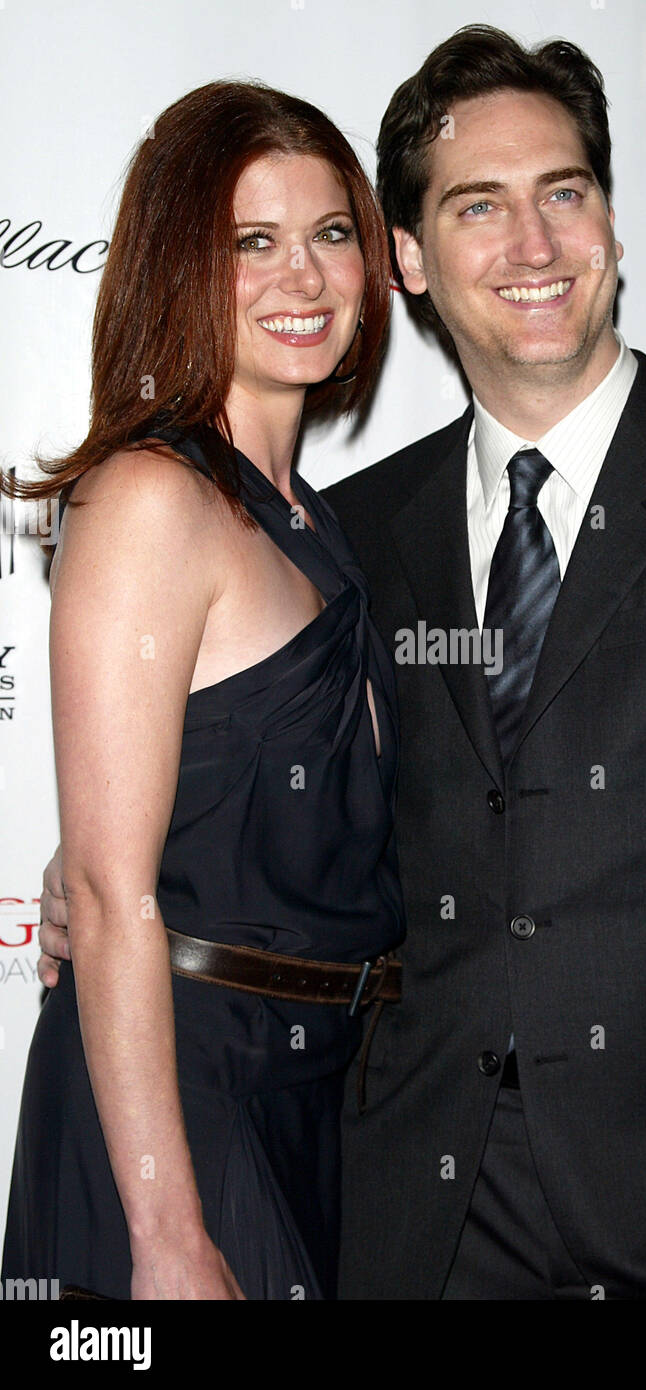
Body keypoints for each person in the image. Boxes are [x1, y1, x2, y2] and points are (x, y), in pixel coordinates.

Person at [37, 26, 646, 1300]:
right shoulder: (358, 528)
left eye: (565, 192)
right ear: (413, 260)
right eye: (476, 206)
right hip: (406, 1219)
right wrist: (104, 864)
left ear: (610, 218)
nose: (533, 245)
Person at [2, 79, 402, 1301]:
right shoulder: (148, 498)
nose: (305, 276)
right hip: (185, 1098)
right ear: (178, 264)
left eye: (332, 232)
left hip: (315, 1093)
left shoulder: (316, 521)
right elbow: (118, 891)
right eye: (250, 242)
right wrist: (166, 1234)